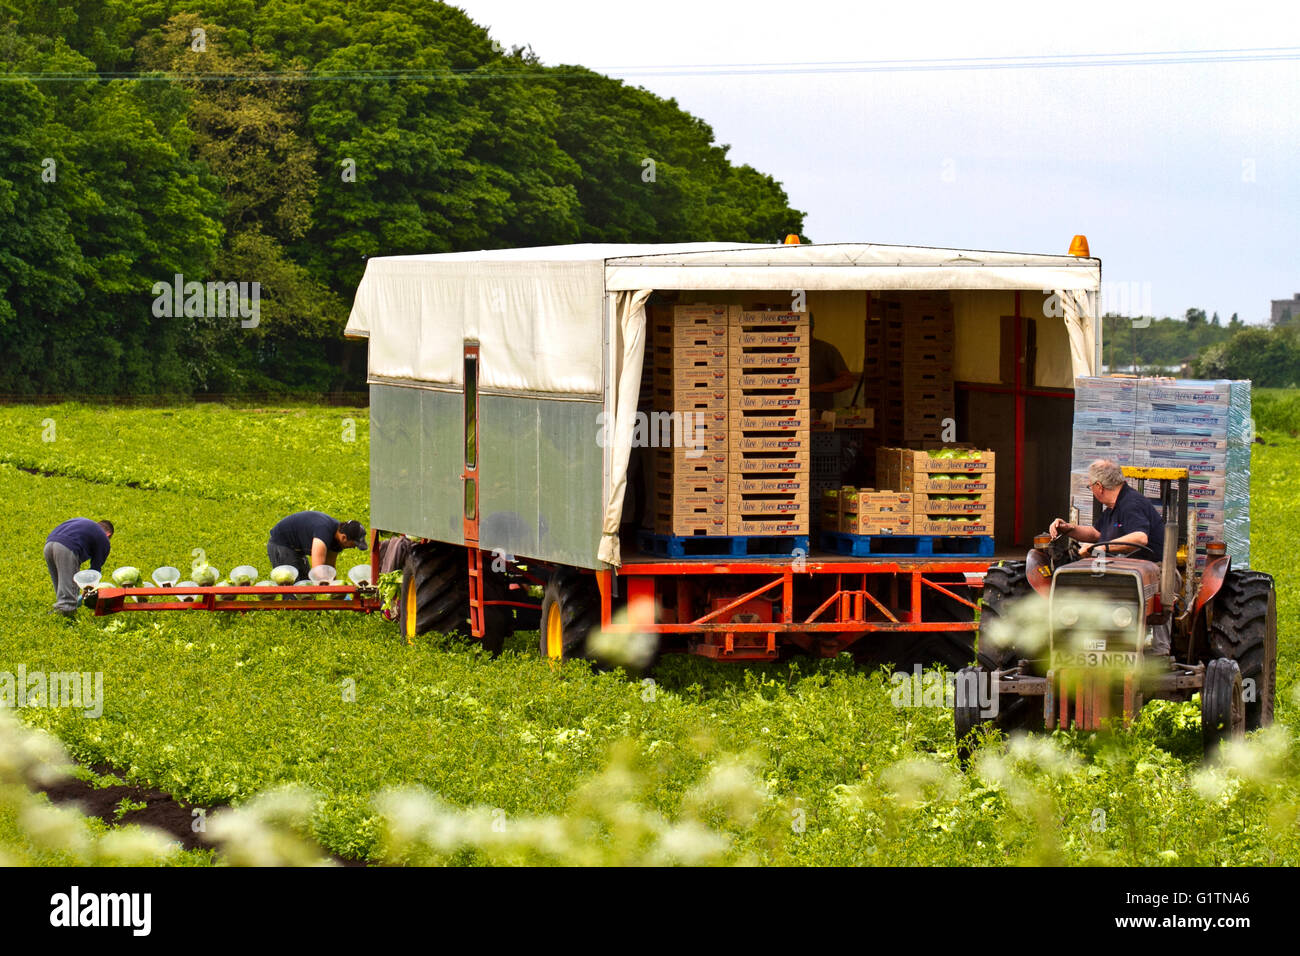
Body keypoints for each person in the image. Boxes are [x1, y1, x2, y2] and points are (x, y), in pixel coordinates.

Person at [1050, 459, 1165, 558]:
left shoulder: (1130, 503)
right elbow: (1096, 533)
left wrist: (1102, 547)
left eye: (1090, 486)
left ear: (1099, 486)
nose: (1092, 490)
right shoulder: (1114, 506)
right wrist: (1068, 529)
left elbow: (1140, 538)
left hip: (1146, 569)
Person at [267, 511, 368, 581]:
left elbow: (329, 568)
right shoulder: (323, 532)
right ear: (344, 537)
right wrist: (331, 590)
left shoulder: (338, 540)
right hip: (281, 543)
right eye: (354, 543)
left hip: (297, 548)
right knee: (292, 587)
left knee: (305, 587)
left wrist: (336, 589)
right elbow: (318, 570)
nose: (354, 547)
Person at [45, 518, 113, 616]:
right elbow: (94, 572)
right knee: (68, 592)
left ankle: (58, 614)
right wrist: (88, 589)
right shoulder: (104, 538)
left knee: (61, 584)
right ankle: (67, 615)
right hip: (66, 547)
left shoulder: (85, 525)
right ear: (108, 535)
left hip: (49, 544)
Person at [809, 314, 859, 413]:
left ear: (812, 328)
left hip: (818, 414)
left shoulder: (825, 350)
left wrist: (814, 388)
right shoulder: (783, 350)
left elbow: (847, 381)